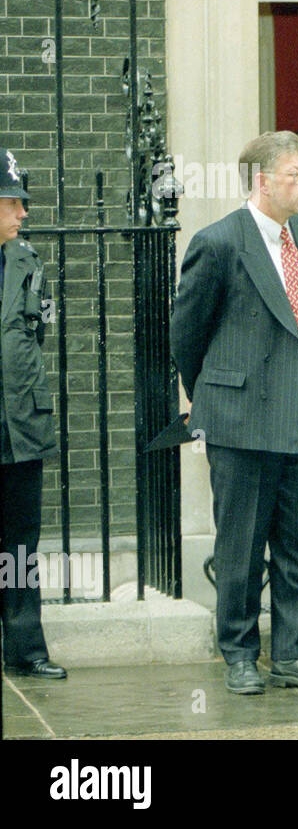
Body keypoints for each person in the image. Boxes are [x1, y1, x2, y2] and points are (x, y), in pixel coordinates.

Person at [172, 131, 298, 695]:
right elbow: (187, 335)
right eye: (297, 174)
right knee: (241, 545)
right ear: (264, 181)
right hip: (241, 419)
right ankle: (241, 653)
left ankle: (295, 654)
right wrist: (214, 396)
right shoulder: (219, 242)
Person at [0, 149, 66, 681]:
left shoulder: (28, 260)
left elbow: (36, 334)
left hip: (20, 424)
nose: (24, 213)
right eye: (15, 201)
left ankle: (25, 647)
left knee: (20, 545)